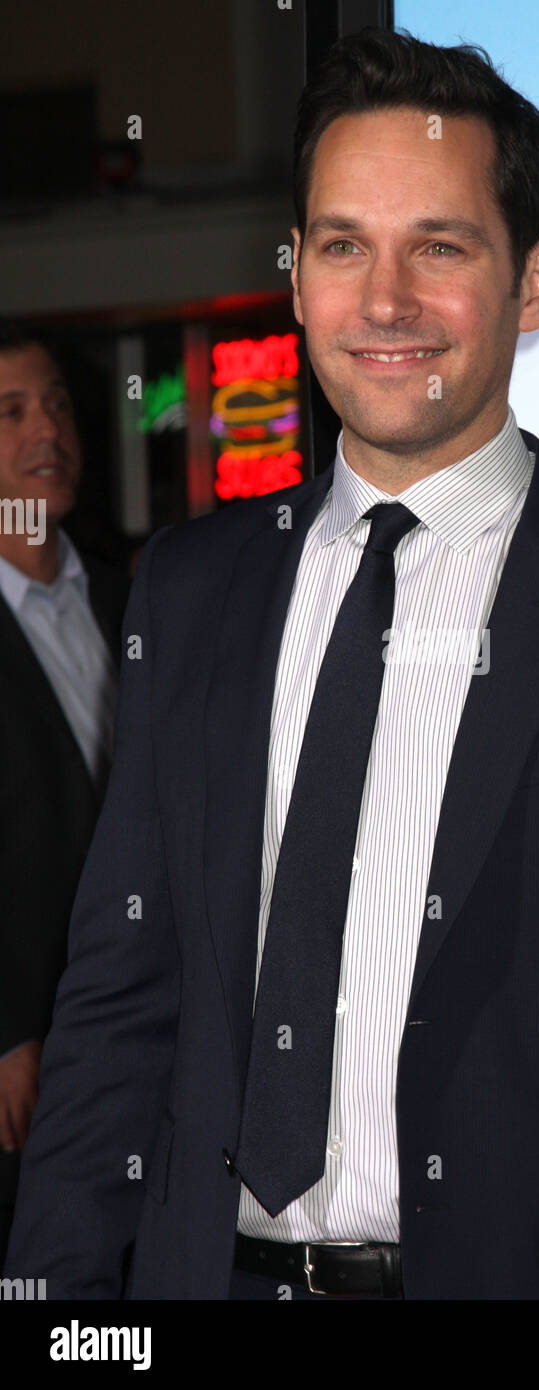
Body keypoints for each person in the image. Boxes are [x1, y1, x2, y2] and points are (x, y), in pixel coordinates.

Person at [4, 27, 539, 1302]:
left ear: (534, 282)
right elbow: (117, 1006)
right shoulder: (192, 589)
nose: (383, 303)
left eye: (437, 247)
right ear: (296, 277)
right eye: (343, 247)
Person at [0, 323, 129, 1271]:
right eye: (10, 412)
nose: (47, 430)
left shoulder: (134, 599)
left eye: (56, 406)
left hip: (139, 1040)